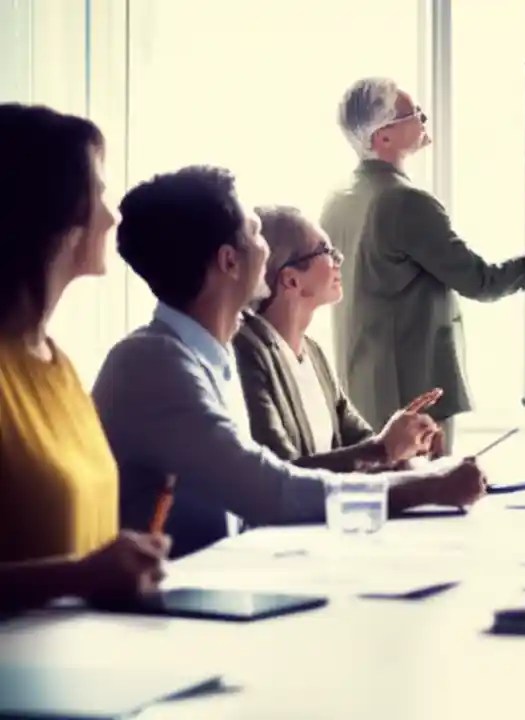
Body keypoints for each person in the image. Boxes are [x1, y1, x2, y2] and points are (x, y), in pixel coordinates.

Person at [93, 166, 486, 559]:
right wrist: (426, 489)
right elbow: (271, 489)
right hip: (173, 600)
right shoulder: (155, 362)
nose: (266, 250)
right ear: (229, 261)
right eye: (254, 232)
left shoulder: (210, 355)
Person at [320, 77, 525, 451]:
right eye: (414, 114)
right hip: (411, 400)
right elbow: (483, 282)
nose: (423, 118)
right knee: (424, 500)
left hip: (362, 392)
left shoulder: (338, 200)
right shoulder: (404, 202)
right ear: (384, 137)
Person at [0, 103, 168, 612]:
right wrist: (77, 576)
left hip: (83, 668)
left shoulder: (57, 364)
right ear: (53, 208)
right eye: (98, 192)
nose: (112, 215)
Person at [234, 205, 442, 471]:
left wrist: (406, 445)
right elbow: (281, 476)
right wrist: (384, 450)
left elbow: (362, 442)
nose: (338, 259)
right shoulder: (245, 352)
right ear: (291, 280)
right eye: (325, 251)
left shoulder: (313, 352)